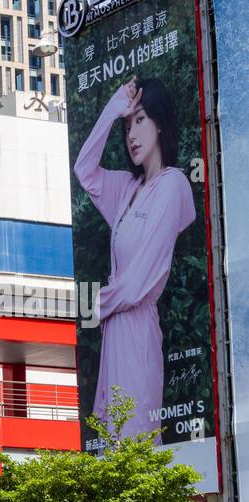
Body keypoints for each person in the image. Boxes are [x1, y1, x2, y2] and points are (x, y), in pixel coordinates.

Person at [73, 75, 196, 437]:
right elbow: (85, 171)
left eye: (140, 120)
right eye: (128, 125)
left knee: (136, 446)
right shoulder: (127, 190)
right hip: (115, 332)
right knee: (113, 455)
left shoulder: (172, 186)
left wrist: (90, 307)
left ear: (159, 123)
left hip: (137, 330)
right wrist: (114, 109)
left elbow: (138, 283)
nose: (131, 134)